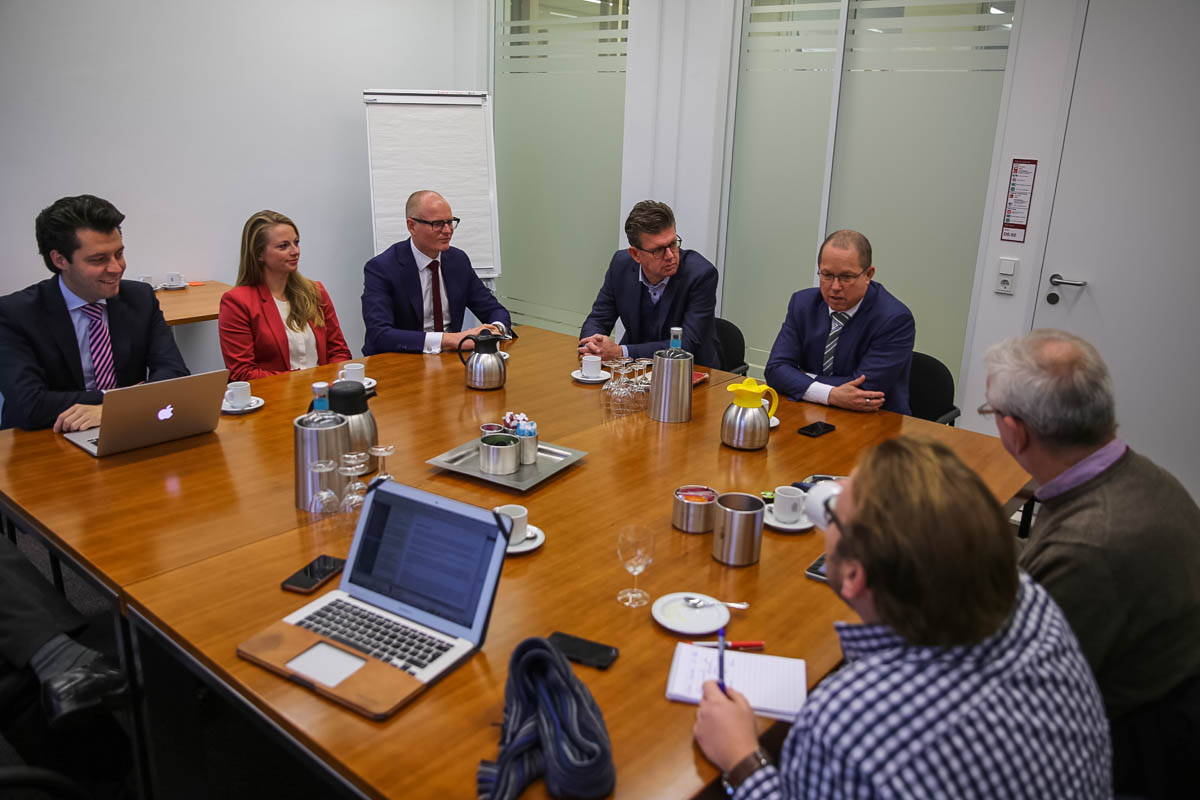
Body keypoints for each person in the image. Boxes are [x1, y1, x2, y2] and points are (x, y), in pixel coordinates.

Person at [692, 436, 1111, 799]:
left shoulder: (845, 726)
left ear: (854, 576)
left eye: (837, 509)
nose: (830, 499)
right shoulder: (1032, 604)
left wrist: (742, 757)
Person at [984, 329, 1200, 794]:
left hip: (1129, 751)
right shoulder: (1152, 479)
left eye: (992, 413)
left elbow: (1013, 700)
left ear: (1014, 431)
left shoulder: (1088, 549)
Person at [0, 194, 189, 431]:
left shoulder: (140, 298)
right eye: (99, 259)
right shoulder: (15, 314)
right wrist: (119, 401)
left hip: (125, 429)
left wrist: (112, 411)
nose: (116, 268)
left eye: (119, 254)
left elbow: (175, 374)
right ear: (60, 260)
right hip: (46, 439)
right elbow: (30, 405)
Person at [764, 230, 914, 414]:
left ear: (868, 274)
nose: (835, 287)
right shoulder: (802, 304)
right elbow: (775, 369)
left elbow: (865, 389)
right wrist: (830, 394)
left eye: (846, 277)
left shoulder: (894, 319)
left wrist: (801, 377)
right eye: (827, 275)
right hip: (811, 411)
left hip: (874, 419)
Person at [361, 190, 511, 355]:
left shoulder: (458, 261)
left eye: (450, 222)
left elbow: (493, 309)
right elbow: (380, 334)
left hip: (448, 359)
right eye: (437, 224)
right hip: (400, 361)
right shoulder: (382, 268)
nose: (447, 230)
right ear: (412, 226)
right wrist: (451, 339)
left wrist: (495, 329)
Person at [578, 200, 719, 367]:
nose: (670, 255)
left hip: (689, 373)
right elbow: (599, 318)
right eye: (658, 250)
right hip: (634, 370)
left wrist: (620, 352)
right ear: (636, 254)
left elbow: (687, 345)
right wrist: (592, 346)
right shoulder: (621, 265)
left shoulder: (701, 274)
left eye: (673, 243)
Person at [218, 210, 352, 381]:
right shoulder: (237, 302)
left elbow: (339, 351)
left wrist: (325, 385)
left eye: (296, 243)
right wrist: (305, 381)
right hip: (274, 399)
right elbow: (242, 373)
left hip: (324, 394)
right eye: (283, 246)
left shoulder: (315, 291)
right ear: (259, 254)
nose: (295, 251)